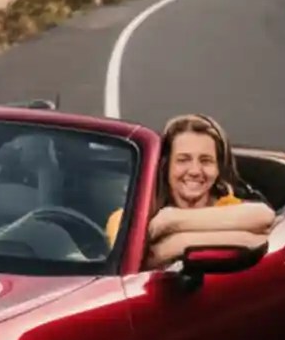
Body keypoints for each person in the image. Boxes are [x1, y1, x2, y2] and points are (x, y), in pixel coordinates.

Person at [105, 113, 275, 268]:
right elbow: (134, 264)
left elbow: (262, 221)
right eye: (183, 160)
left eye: (206, 160)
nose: (195, 171)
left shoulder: (229, 205)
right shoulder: (128, 217)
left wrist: (172, 229)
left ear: (218, 168)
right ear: (165, 165)